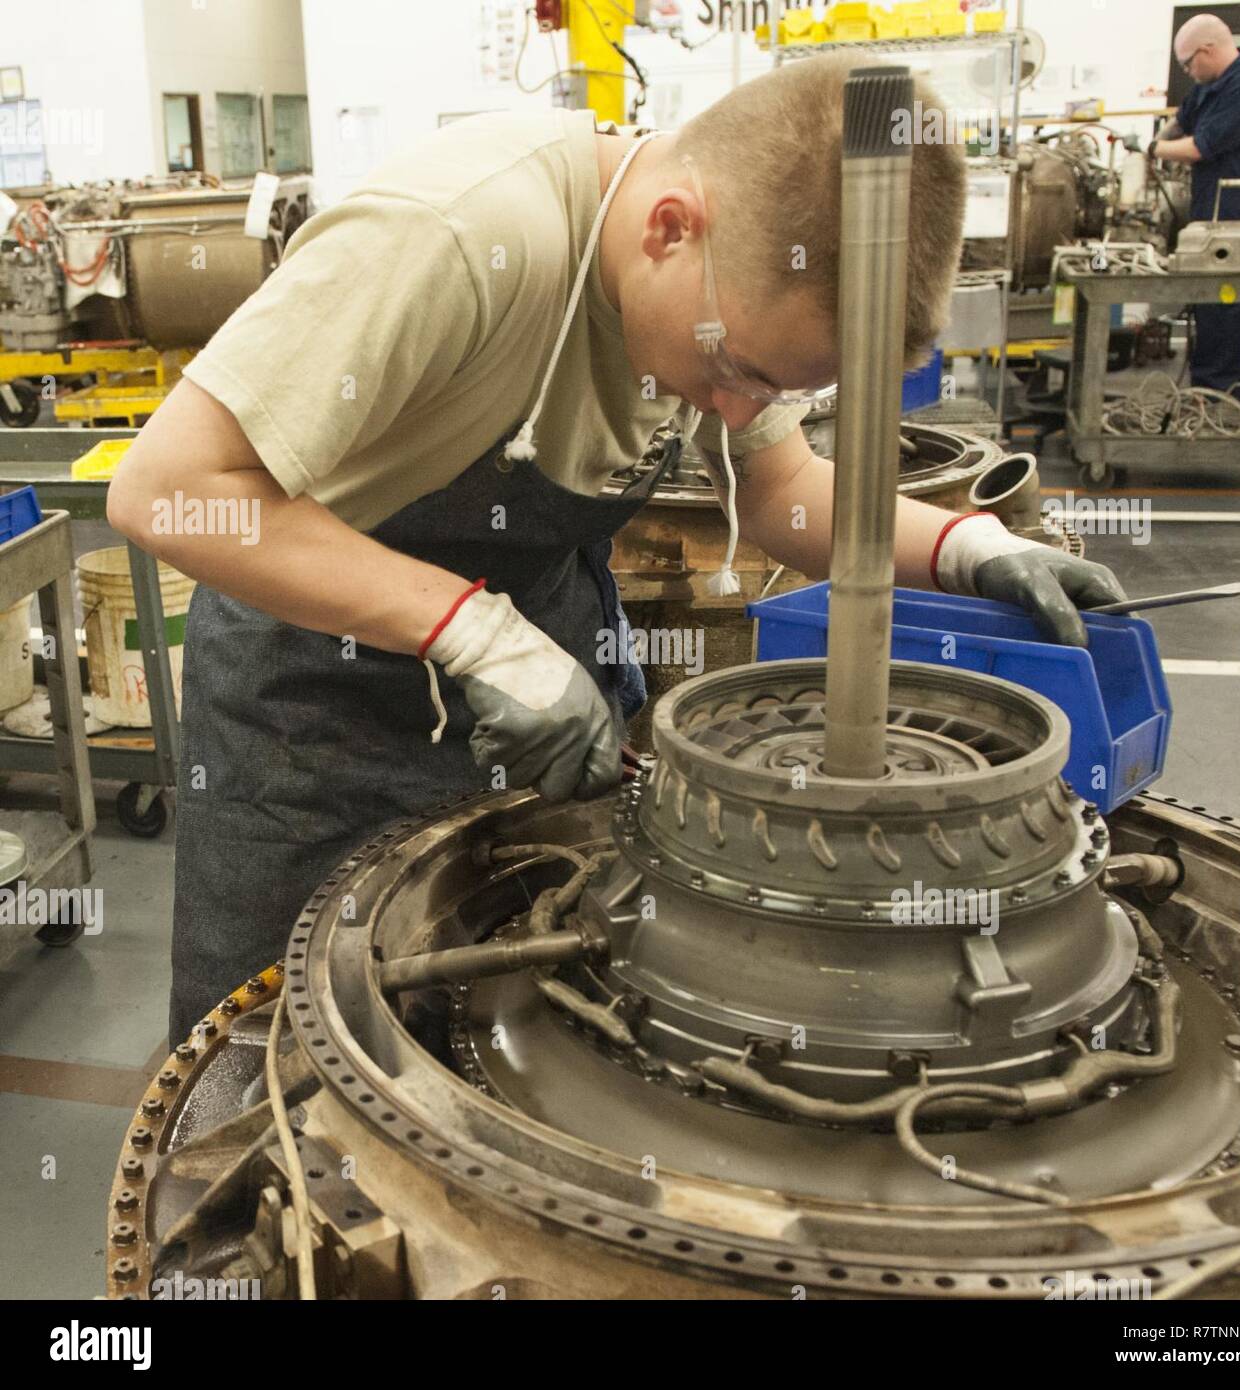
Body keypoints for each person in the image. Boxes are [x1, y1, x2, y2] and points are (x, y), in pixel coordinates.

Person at [106, 53, 1126, 1046]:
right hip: (312, 713)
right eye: (734, 369)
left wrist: (967, 547)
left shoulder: (728, 287)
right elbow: (168, 490)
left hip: (541, 685)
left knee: (504, 1022)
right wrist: (474, 634)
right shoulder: (454, 237)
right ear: (669, 229)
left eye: (774, 390)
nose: (735, 409)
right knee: (276, 1054)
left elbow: (782, 496)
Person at [1150, 13, 1240, 395]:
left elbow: (1201, 147)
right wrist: (1163, 134)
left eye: (1189, 63)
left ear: (1207, 50)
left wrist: (1155, 149)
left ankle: (1226, 398)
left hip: (1236, 210)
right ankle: (1205, 390)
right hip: (1210, 207)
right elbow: (1183, 121)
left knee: (1226, 303)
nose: (1188, 72)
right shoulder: (1210, 83)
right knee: (1206, 302)